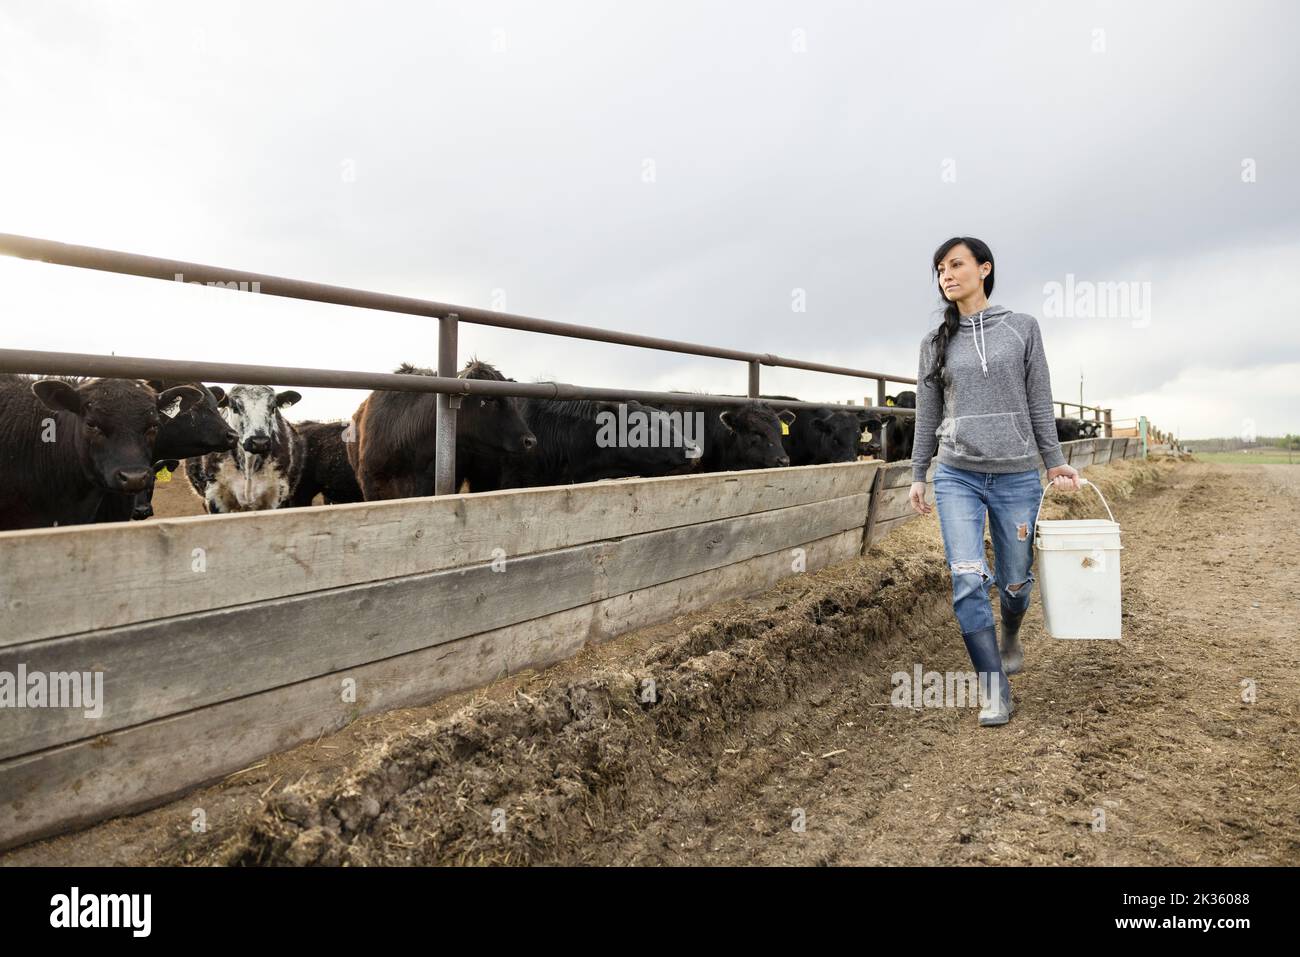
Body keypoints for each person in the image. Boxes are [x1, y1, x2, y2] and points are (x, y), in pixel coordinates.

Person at [908, 236, 1082, 727]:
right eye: (940, 267)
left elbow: (1039, 400)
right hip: (957, 475)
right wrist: (919, 472)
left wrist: (1054, 461)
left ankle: (1010, 632)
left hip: (1017, 478)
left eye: (956, 264)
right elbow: (928, 414)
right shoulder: (934, 343)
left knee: (1014, 581)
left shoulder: (1022, 329)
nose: (946, 273)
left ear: (984, 269)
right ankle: (994, 690)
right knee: (966, 580)